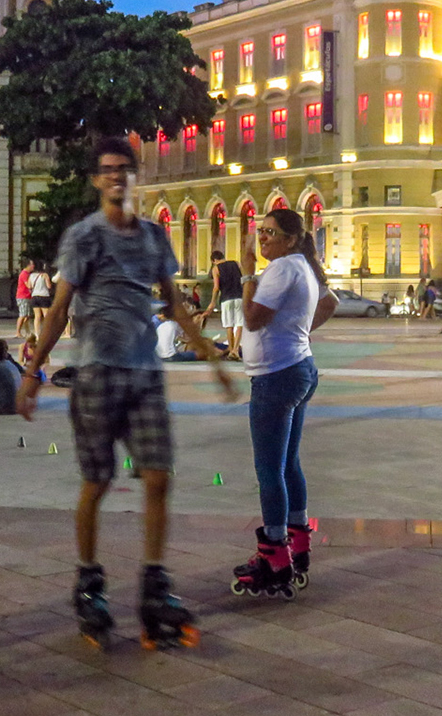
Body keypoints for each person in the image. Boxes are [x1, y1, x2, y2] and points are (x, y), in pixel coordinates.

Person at [18, 138, 234, 649]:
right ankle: (89, 581)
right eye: (108, 170)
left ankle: (154, 582)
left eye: (125, 170)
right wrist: (32, 373)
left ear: (137, 177)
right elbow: (60, 309)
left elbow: (176, 303)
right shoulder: (83, 237)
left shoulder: (155, 236)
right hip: (95, 372)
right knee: (97, 482)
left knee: (158, 477)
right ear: (97, 180)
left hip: (144, 375)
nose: (117, 177)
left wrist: (211, 358)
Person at [230, 207, 337, 598]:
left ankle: (274, 554)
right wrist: (298, 334)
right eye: (260, 232)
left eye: (271, 233)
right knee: (288, 463)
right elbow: (331, 303)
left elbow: (253, 319)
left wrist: (245, 273)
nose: (262, 239)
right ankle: (298, 541)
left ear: (290, 238)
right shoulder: (304, 266)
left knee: (269, 470)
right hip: (298, 368)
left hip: (275, 376)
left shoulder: (280, 269)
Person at [211, 249, 244, 354]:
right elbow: (243, 279)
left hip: (226, 298)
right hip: (239, 297)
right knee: (239, 324)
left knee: (229, 325)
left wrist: (212, 302)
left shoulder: (216, 268)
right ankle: (236, 349)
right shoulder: (236, 263)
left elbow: (216, 288)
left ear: (214, 260)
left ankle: (231, 349)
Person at [28, 258, 53, 340]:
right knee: (46, 315)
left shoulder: (31, 275)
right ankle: (47, 332)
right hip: (44, 296)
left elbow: (29, 286)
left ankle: (37, 334)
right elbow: (49, 286)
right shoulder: (45, 275)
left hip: (34, 296)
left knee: (37, 316)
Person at [14, 259, 35, 338]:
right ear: (28, 265)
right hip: (23, 297)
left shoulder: (28, 274)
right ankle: (18, 332)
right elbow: (28, 285)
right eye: (32, 264)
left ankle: (27, 332)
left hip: (27, 296)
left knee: (27, 315)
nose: (33, 266)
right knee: (23, 315)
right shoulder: (24, 274)